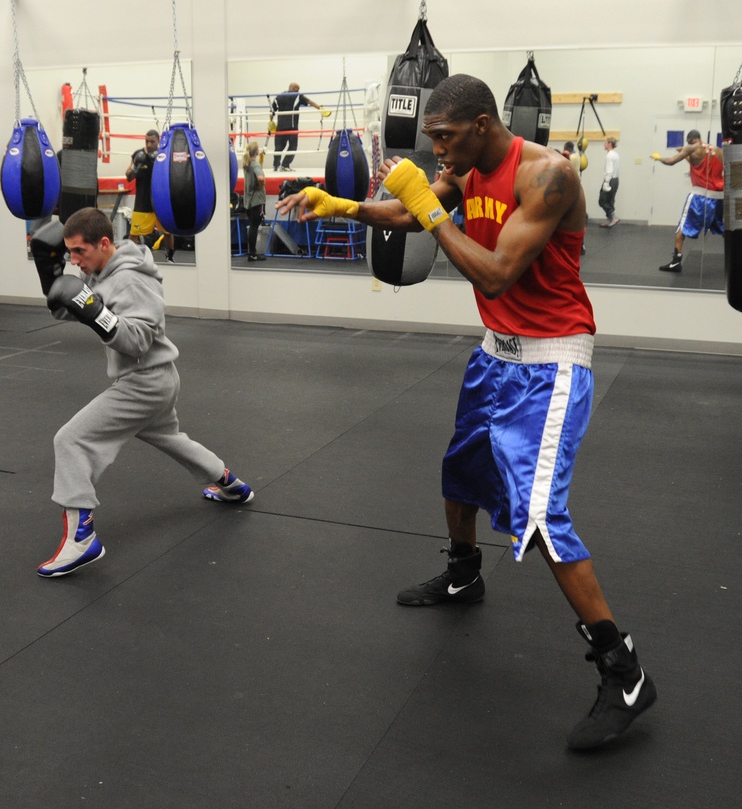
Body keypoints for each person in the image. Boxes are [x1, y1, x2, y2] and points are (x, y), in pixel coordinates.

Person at [276, 73, 654, 750]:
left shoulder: (549, 177)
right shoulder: (467, 167)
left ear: (482, 123)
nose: (439, 153)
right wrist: (341, 205)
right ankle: (463, 575)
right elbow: (408, 216)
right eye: (432, 141)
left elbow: (494, 273)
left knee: (539, 517)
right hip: (494, 353)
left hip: (550, 362)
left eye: (446, 138)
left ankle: (623, 671)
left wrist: (428, 201)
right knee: (460, 474)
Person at [37, 207, 254, 577]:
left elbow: (136, 340)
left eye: (79, 252)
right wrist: (51, 276)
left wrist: (94, 311)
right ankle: (230, 484)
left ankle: (81, 539)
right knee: (170, 438)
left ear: (104, 243)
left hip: (144, 381)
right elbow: (70, 306)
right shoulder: (104, 271)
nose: (74, 260)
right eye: (69, 252)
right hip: (158, 378)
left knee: (71, 440)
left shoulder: (131, 280)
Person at [651, 129, 724, 272]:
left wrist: (658, 158)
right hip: (718, 197)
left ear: (690, 140)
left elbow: (671, 161)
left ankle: (676, 262)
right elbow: (699, 162)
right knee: (724, 230)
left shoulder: (692, 148)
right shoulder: (717, 149)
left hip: (700, 196)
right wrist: (684, 152)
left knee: (681, 229)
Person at [125, 129, 175, 263]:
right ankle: (129, 260)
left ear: (158, 141)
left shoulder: (163, 155)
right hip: (143, 202)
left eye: (152, 141)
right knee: (134, 234)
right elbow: (128, 176)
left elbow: (172, 174)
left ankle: (170, 257)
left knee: (168, 232)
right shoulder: (138, 155)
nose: (148, 144)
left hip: (161, 201)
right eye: (147, 141)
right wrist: (136, 167)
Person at [270, 83, 329, 172]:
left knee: (278, 147)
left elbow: (272, 110)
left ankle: (276, 166)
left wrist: (271, 122)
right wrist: (321, 109)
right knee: (293, 146)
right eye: (297, 89)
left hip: (280, 126)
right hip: (292, 126)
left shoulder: (279, 96)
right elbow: (310, 102)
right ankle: (285, 165)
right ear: (294, 88)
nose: (298, 91)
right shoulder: (297, 95)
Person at [242, 140, 267, 261]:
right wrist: (260, 185)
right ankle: (252, 253)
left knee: (252, 227)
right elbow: (260, 177)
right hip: (257, 201)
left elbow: (256, 172)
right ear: (256, 151)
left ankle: (252, 252)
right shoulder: (254, 165)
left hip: (248, 201)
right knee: (254, 227)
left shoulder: (247, 164)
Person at [598, 136, 620, 227]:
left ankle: (614, 217)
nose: (604, 145)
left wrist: (606, 183)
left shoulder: (609, 155)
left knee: (602, 201)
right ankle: (609, 219)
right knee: (610, 201)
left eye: (605, 143)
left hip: (610, 180)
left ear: (610, 144)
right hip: (615, 180)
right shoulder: (615, 154)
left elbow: (609, 170)